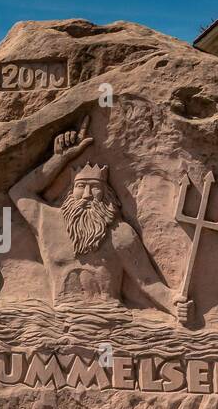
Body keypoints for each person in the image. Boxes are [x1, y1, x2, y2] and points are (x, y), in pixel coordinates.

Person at [10, 117, 191, 323]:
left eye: (94, 188)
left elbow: (149, 283)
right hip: (62, 323)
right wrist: (60, 158)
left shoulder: (121, 234)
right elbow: (19, 192)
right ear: (70, 191)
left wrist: (176, 306)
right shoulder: (48, 221)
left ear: (107, 194)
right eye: (81, 187)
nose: (87, 195)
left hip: (108, 323)